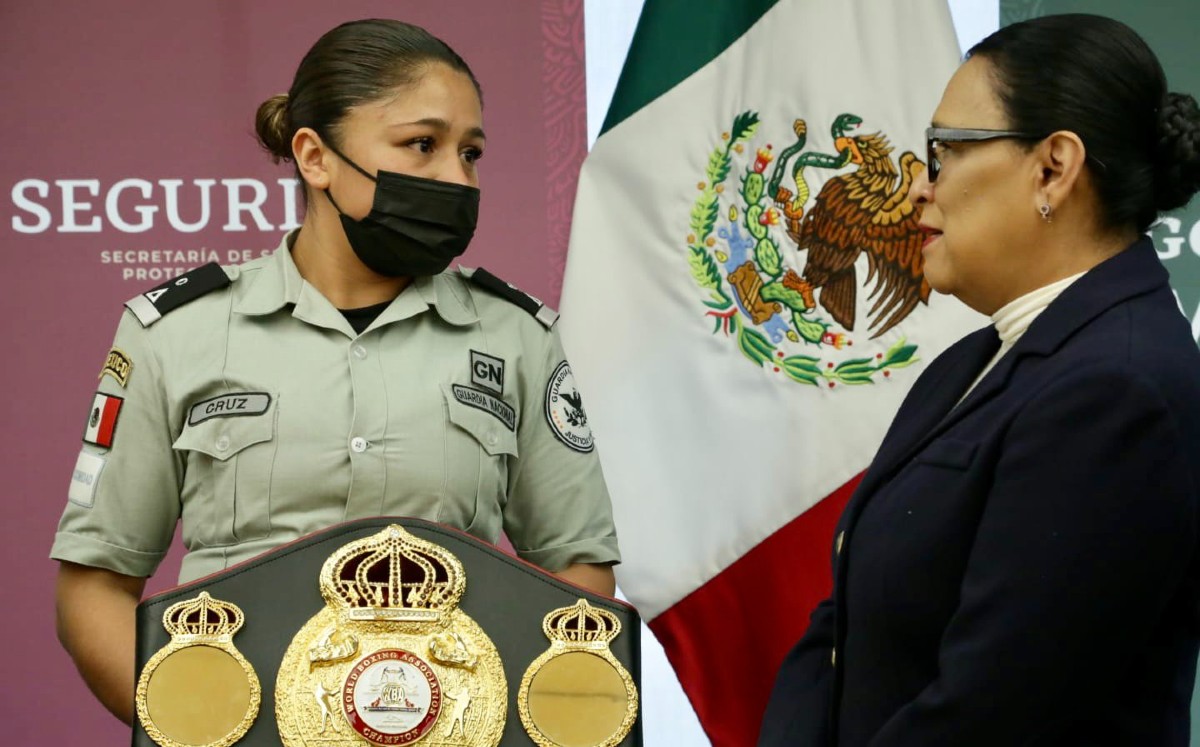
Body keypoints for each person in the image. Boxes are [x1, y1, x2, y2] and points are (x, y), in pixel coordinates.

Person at [51, 19, 620, 725]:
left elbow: (578, 576)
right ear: (316, 157)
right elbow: (93, 588)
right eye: (423, 144)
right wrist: (201, 730)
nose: (457, 177)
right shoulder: (174, 331)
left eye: (470, 153)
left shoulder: (517, 336)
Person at [758, 14, 1200, 747]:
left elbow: (991, 713)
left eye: (943, 155)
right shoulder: (968, 364)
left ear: (1053, 167)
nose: (915, 194)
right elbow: (840, 629)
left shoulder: (1120, 388)